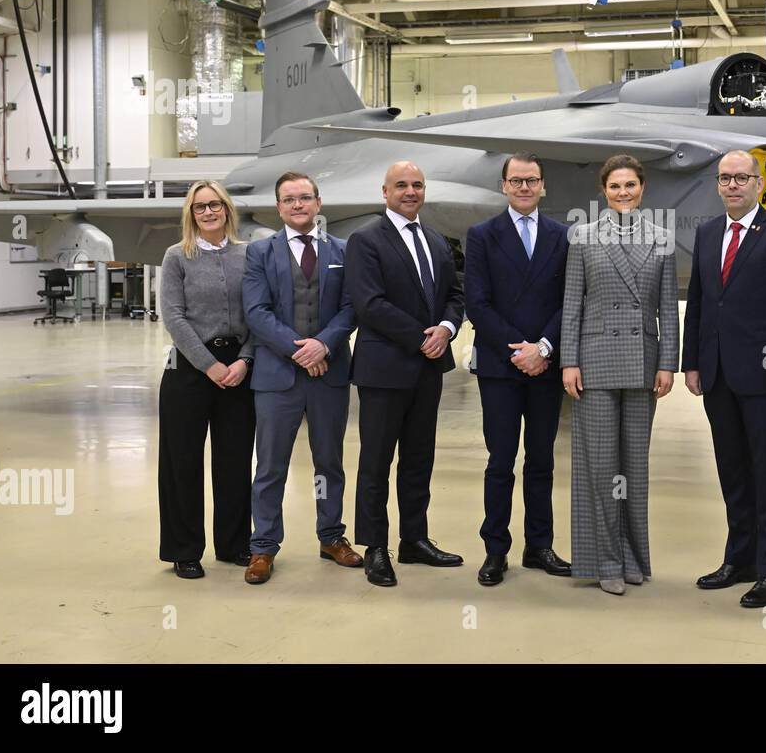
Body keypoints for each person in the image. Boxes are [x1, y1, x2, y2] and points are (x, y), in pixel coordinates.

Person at [682, 150, 766, 608]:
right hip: (717, 376)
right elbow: (699, 302)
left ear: (760, 183)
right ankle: (741, 559)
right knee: (733, 472)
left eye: (742, 178)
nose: (733, 185)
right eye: (725, 178)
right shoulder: (708, 232)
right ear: (718, 186)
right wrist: (691, 362)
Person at [561, 154, 678, 596]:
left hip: (643, 364)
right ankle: (606, 559)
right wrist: (569, 362)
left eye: (630, 185)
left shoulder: (662, 240)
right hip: (594, 363)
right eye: (615, 186)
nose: (623, 193)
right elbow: (572, 306)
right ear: (603, 191)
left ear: (642, 188)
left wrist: (668, 362)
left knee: (634, 469)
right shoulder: (583, 238)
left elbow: (668, 308)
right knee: (600, 467)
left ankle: (632, 557)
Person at [346, 160, 465, 587]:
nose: (410, 191)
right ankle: (375, 546)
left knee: (419, 459)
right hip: (384, 369)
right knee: (376, 462)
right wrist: (421, 337)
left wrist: (448, 328)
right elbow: (370, 304)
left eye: (417, 185)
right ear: (385, 192)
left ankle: (414, 539)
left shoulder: (435, 241)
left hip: (428, 369)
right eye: (401, 185)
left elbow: (455, 293)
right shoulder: (365, 240)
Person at [241, 171, 361, 585]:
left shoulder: (343, 251)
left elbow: (351, 308)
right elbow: (256, 313)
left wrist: (323, 345)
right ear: (278, 207)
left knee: (329, 464)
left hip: (329, 375)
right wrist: (300, 350)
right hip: (277, 378)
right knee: (271, 466)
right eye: (289, 199)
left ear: (318, 202)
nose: (297, 205)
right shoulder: (259, 253)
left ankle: (331, 536)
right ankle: (263, 547)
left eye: (304, 198)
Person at [464, 152, 572, 587]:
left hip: (545, 366)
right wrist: (518, 350)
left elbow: (570, 299)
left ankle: (539, 546)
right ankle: (495, 549)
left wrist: (543, 348)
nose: (524, 188)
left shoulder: (562, 236)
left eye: (532, 181)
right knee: (500, 461)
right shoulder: (482, 236)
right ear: (504, 186)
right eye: (516, 181)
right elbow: (478, 302)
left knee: (542, 461)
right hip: (501, 367)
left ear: (543, 185)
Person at [157, 181, 256, 580]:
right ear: (191, 214)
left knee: (234, 461)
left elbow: (258, 312)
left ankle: (234, 544)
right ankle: (184, 549)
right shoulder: (176, 257)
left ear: (227, 210)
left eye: (215, 205)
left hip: (239, 369)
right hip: (189, 370)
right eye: (200, 207)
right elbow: (173, 317)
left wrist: (245, 360)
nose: (209, 212)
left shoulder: (249, 255)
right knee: (182, 462)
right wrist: (209, 365)